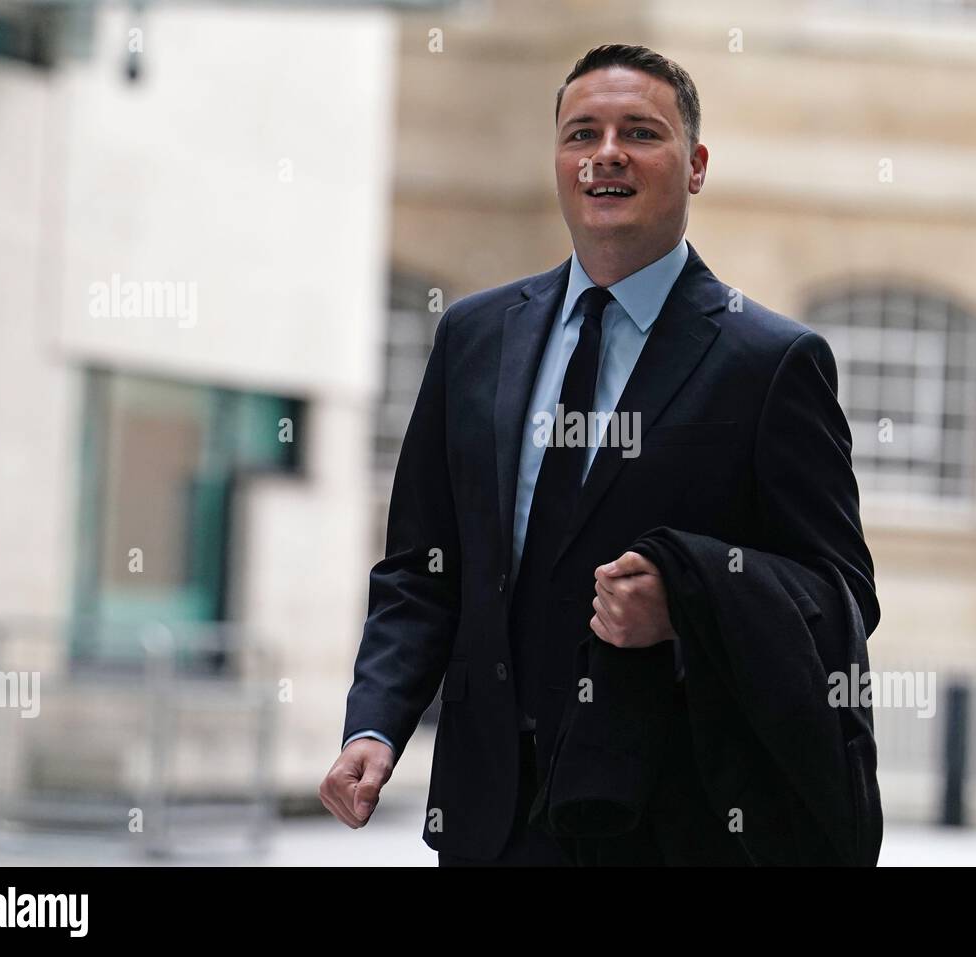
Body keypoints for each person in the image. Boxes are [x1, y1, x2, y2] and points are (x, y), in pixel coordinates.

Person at [319, 43, 879, 865]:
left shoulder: (771, 363)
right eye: (582, 133)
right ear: (559, 161)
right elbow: (421, 568)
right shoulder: (474, 337)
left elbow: (841, 597)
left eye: (640, 133)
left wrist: (689, 606)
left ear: (695, 166)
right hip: (487, 819)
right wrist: (376, 721)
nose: (606, 152)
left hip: (669, 823)